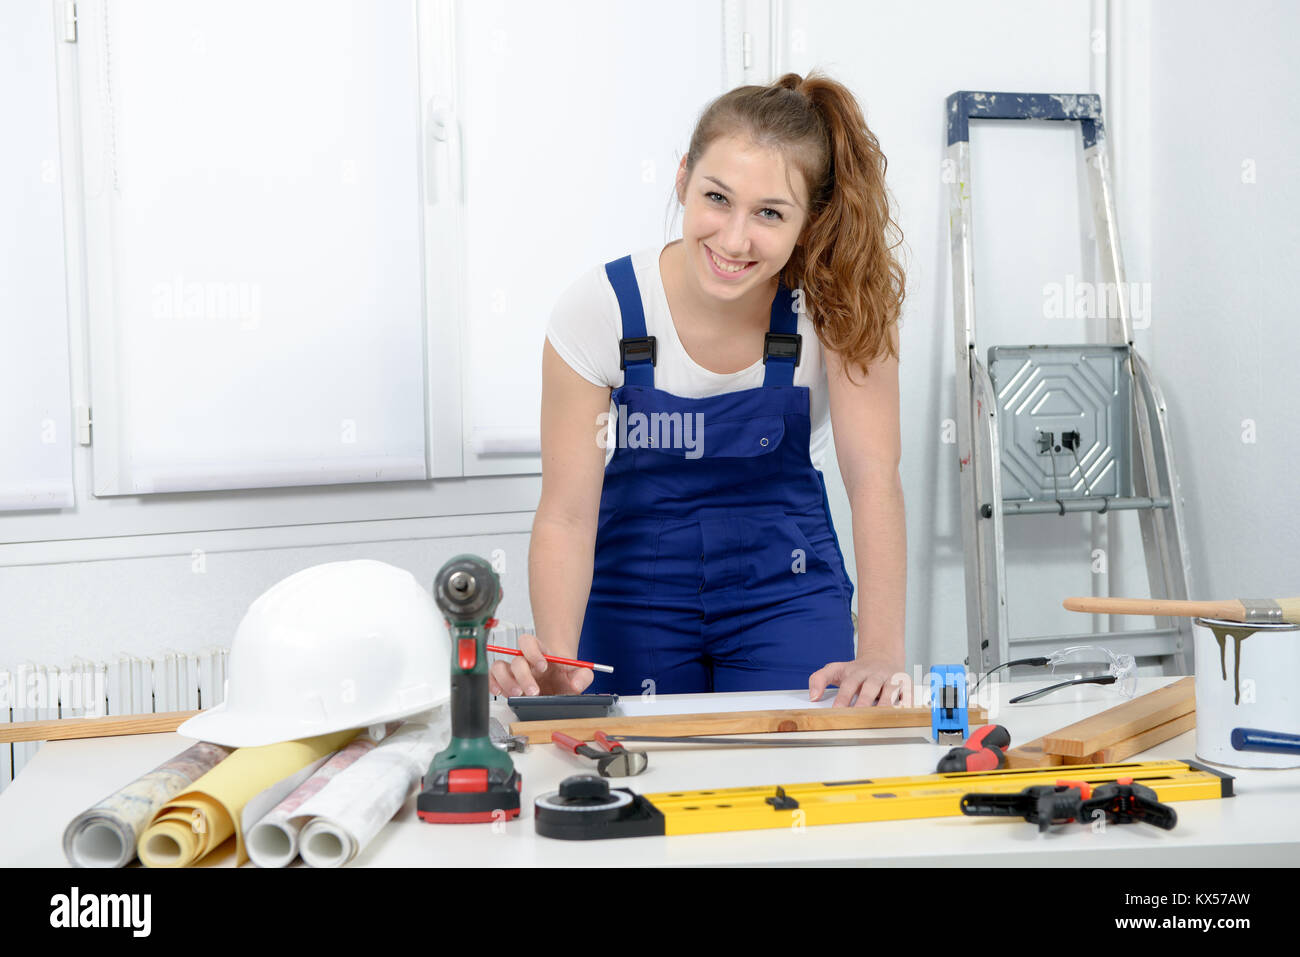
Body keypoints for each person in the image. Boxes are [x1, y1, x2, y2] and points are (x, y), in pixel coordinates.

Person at [491, 71, 907, 707]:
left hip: (785, 588)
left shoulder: (837, 309)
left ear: (810, 220)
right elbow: (568, 514)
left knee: (804, 767)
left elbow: (874, 478)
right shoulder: (600, 310)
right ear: (683, 178)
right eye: (717, 198)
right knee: (629, 769)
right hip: (634, 589)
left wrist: (880, 654)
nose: (734, 239)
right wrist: (558, 661)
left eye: (770, 213)